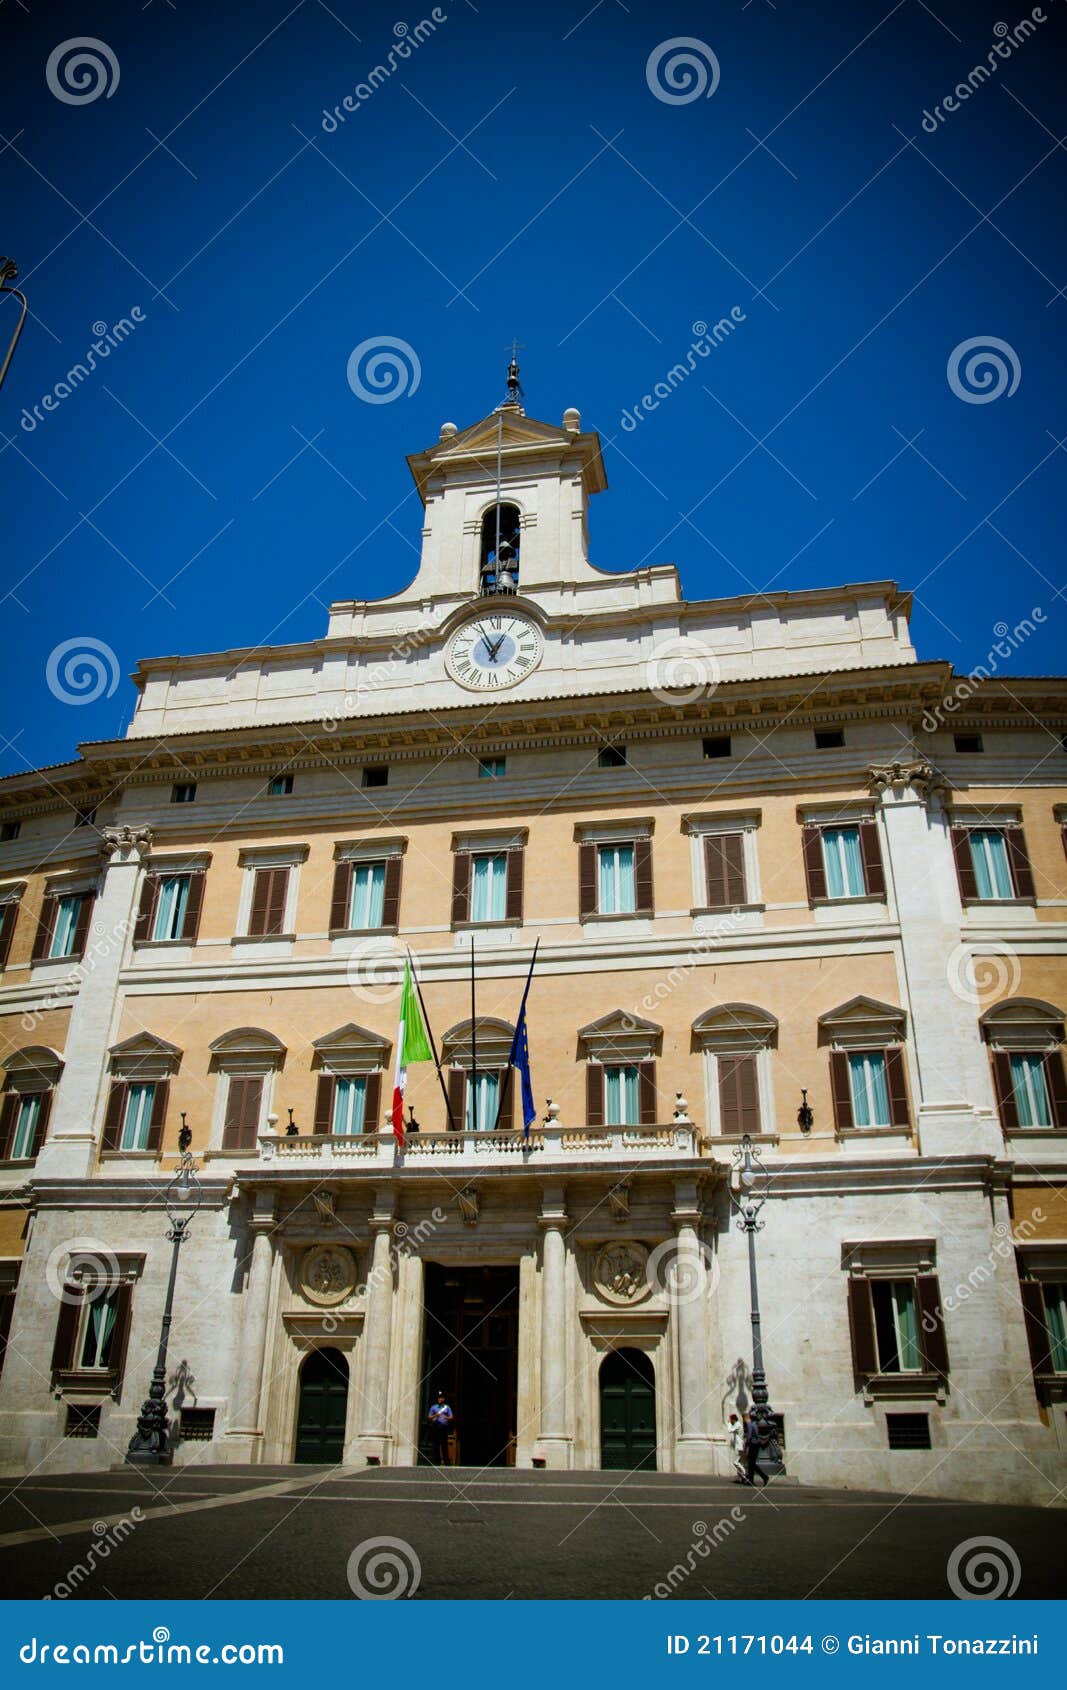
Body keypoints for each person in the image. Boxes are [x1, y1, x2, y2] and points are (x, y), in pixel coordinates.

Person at [427, 1390, 454, 1465]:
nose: (439, 1399)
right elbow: (429, 1417)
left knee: (444, 1445)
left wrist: (446, 1417)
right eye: (439, 1398)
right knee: (436, 1444)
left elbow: (451, 1417)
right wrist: (436, 1415)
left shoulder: (447, 1407)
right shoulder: (433, 1407)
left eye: (441, 1398)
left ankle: (446, 1462)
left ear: (444, 1399)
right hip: (435, 1427)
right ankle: (436, 1461)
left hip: (443, 1427)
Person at [744, 1411, 769, 1487]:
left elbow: (749, 1436)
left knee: (751, 1463)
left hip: (752, 1444)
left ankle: (764, 1477)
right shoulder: (754, 1424)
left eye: (744, 1418)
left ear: (746, 1418)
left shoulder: (749, 1424)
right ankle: (751, 1480)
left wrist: (746, 1445)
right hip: (756, 1444)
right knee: (751, 1463)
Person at [728, 1412, 746, 1483]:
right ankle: (741, 1477)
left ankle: (744, 1473)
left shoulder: (738, 1425)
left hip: (739, 1446)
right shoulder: (736, 1425)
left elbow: (730, 1430)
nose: (730, 1421)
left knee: (735, 1462)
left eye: (730, 1420)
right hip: (738, 1446)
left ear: (733, 1419)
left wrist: (729, 1423)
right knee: (738, 1462)